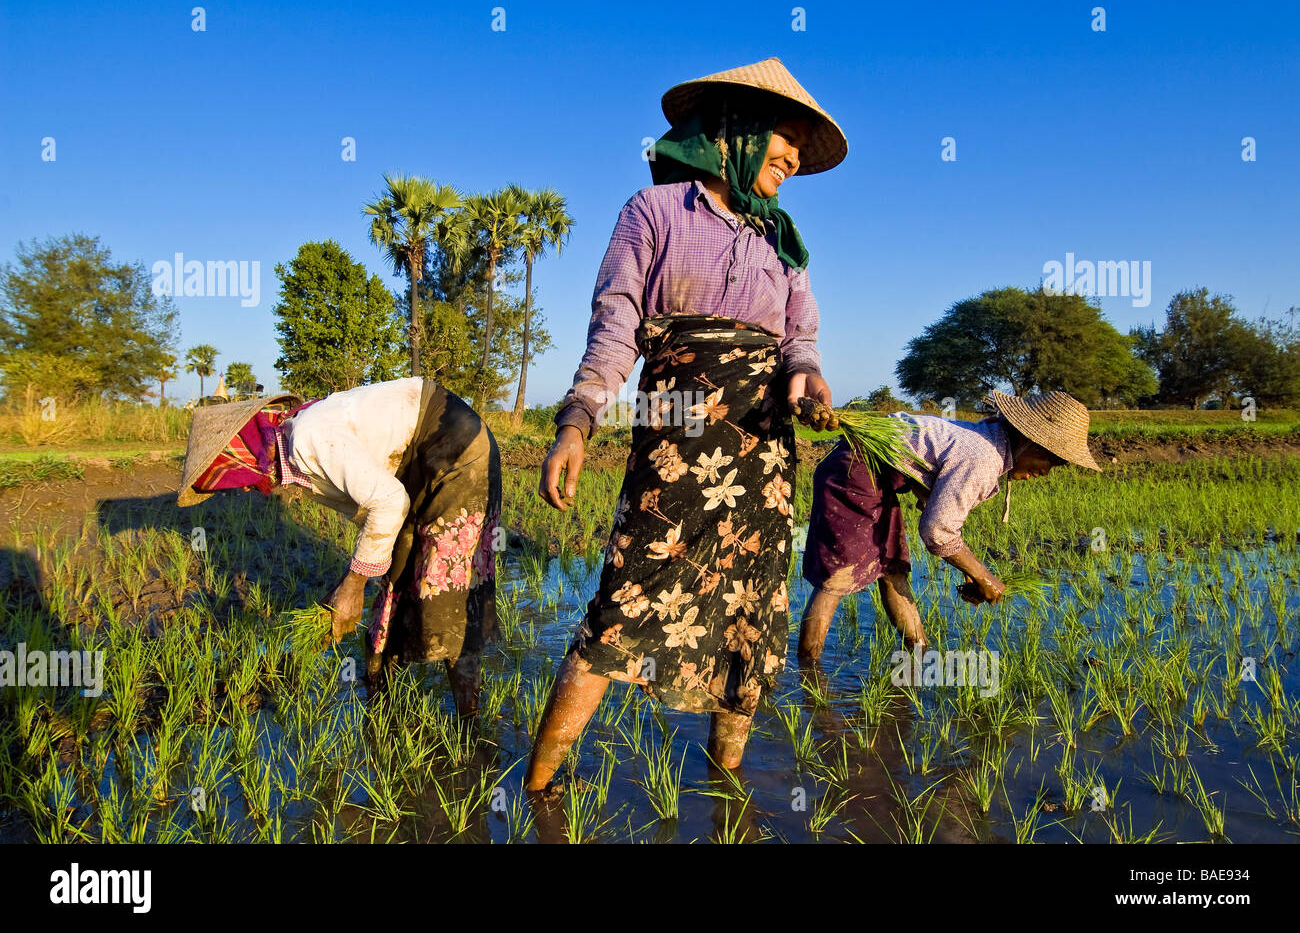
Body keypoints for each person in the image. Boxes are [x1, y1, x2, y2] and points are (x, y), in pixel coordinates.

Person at [525, 57, 849, 794]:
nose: (794, 160)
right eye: (786, 140)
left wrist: (809, 379)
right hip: (673, 448)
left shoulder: (785, 244)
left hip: (763, 453)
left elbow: (800, 341)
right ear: (734, 128)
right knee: (622, 607)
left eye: (802, 150)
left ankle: (724, 789)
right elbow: (615, 327)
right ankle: (538, 784)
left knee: (748, 615)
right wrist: (577, 421)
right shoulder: (654, 212)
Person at [176, 377, 501, 715]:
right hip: (418, 463)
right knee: (398, 577)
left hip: (456, 448)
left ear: (246, 456)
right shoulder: (295, 448)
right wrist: (348, 584)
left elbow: (388, 503)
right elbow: (379, 516)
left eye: (238, 479)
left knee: (447, 588)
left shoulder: (307, 439)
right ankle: (378, 699)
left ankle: (469, 724)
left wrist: (354, 584)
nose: (244, 490)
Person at [798, 390, 1101, 659]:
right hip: (853, 472)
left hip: (874, 476)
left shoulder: (989, 441)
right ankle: (809, 673)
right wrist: (983, 576)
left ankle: (919, 655)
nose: (1047, 472)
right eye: (1053, 461)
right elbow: (936, 531)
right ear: (1029, 442)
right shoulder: (984, 457)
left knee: (892, 569)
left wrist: (971, 571)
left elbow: (932, 488)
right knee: (836, 578)